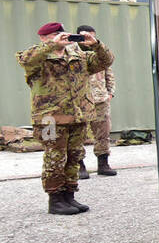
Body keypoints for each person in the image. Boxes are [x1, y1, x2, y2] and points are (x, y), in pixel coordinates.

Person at [16, 22, 114, 216]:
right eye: (53, 35)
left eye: (61, 34)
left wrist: (95, 44)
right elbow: (26, 60)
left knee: (74, 156)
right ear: (43, 38)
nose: (60, 37)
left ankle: (69, 195)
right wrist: (53, 45)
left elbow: (106, 61)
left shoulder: (79, 57)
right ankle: (55, 199)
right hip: (49, 118)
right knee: (55, 158)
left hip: (77, 116)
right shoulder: (38, 57)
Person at [77, 25, 117, 177]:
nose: (87, 39)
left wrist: (110, 93)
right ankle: (80, 166)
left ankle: (103, 164)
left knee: (103, 133)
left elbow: (109, 73)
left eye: (91, 36)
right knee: (78, 135)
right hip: (80, 100)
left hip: (100, 100)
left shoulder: (100, 53)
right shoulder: (74, 53)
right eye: (84, 36)